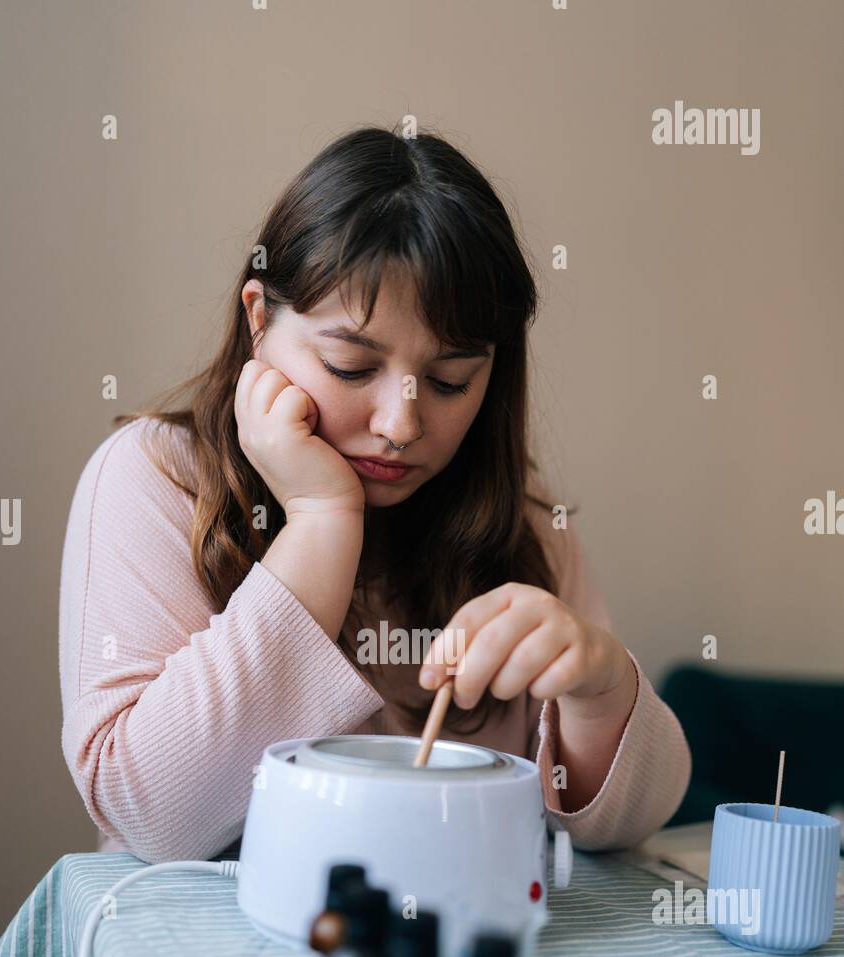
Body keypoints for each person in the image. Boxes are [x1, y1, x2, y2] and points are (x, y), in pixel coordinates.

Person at [59, 124, 690, 864]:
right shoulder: (155, 478)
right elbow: (150, 817)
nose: (400, 426)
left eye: (452, 380)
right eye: (352, 367)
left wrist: (603, 685)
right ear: (259, 319)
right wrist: (322, 523)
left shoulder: (522, 521)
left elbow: (621, 829)